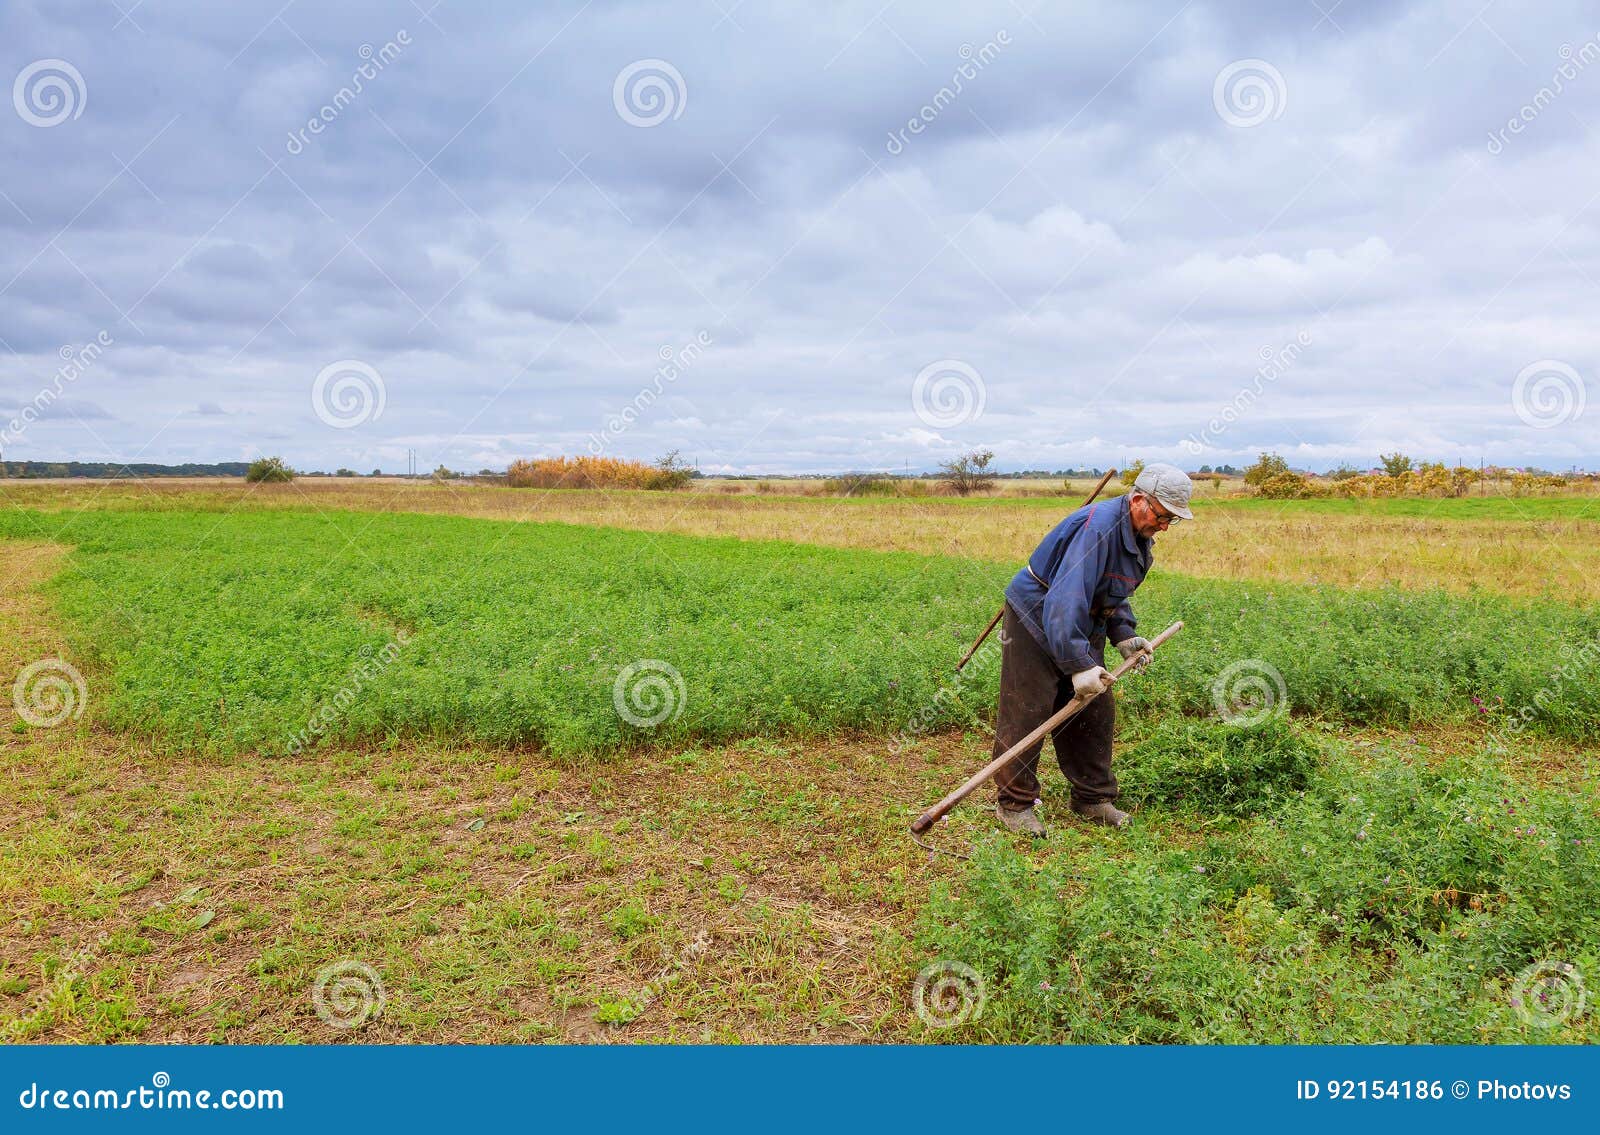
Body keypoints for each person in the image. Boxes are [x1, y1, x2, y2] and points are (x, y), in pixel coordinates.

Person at [991, 462, 1194, 836]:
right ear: (1137, 500)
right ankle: (1014, 804)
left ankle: (1091, 798)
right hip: (1039, 614)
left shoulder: (1137, 536)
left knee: (1095, 706)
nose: (1165, 526)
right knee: (1028, 707)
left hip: (1079, 617)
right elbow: (1066, 597)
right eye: (1163, 516)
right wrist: (1076, 663)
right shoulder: (1098, 528)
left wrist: (1124, 635)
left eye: (1172, 520)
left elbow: (1110, 590)